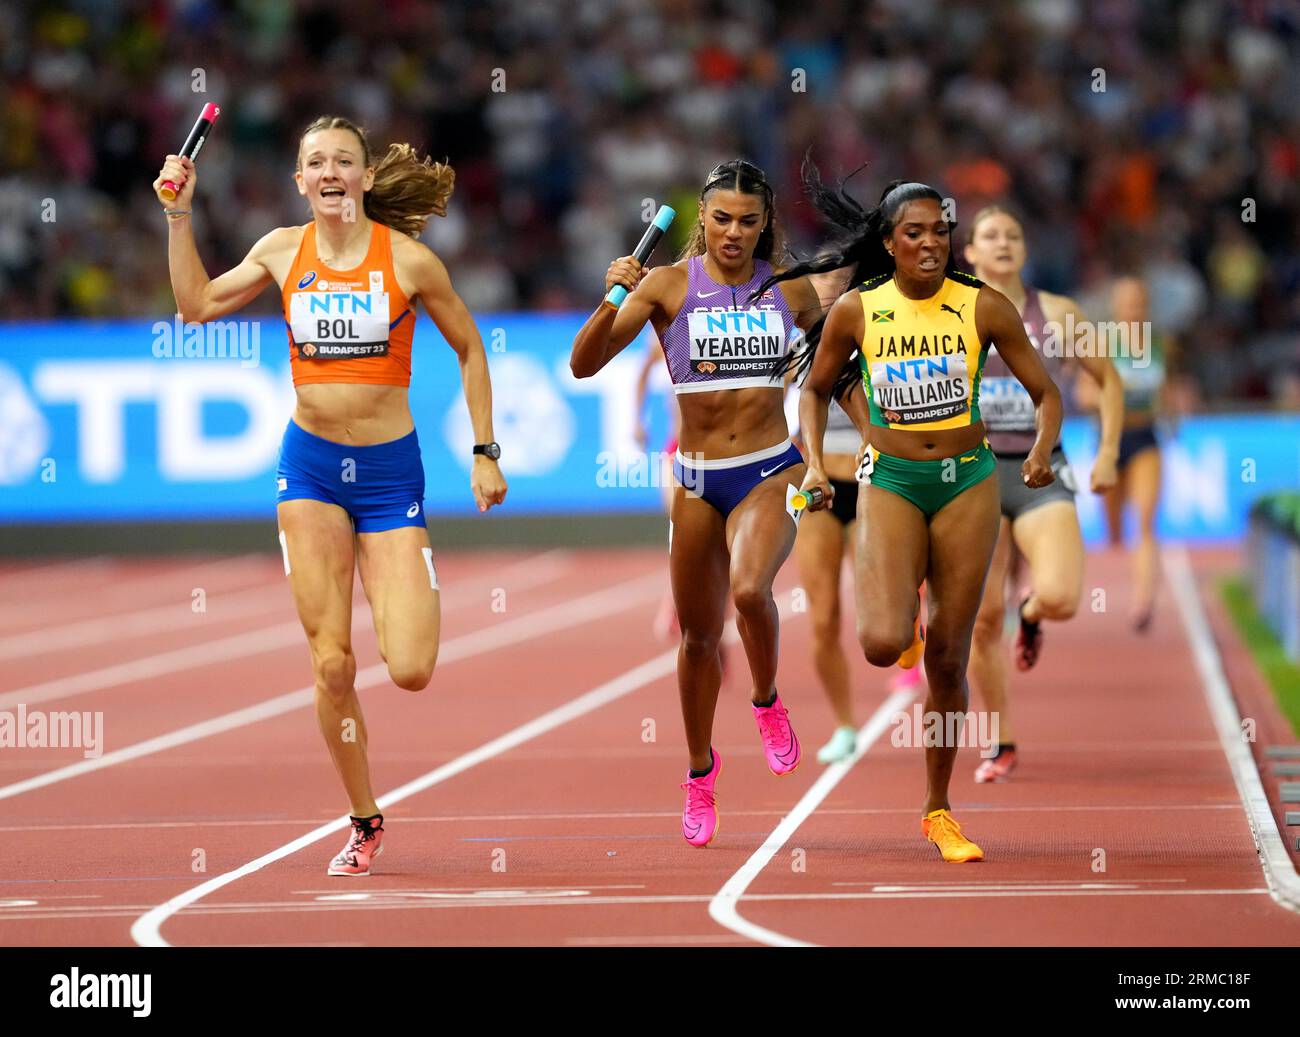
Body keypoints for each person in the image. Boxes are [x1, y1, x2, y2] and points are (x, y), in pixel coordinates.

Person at [153, 115, 507, 876]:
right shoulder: (283, 251)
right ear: (301, 180)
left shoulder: (408, 261)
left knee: (410, 666)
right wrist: (179, 214)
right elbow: (196, 307)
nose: (331, 172)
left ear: (366, 177)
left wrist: (483, 450)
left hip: (388, 475)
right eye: (316, 161)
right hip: (309, 469)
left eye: (344, 160)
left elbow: (472, 346)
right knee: (332, 664)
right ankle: (364, 817)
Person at [768, 170, 1062, 862]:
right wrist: (813, 463)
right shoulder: (859, 310)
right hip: (893, 479)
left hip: (967, 482)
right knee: (878, 641)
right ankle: (905, 618)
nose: (931, 243)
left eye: (940, 231)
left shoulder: (983, 306)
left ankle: (938, 809)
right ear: (890, 243)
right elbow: (813, 392)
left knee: (950, 659)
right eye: (914, 233)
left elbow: (1046, 393)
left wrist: (1044, 450)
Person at [570, 159, 823, 847]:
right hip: (696, 478)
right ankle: (700, 772)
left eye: (747, 220)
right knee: (697, 637)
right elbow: (583, 364)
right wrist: (611, 297)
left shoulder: (792, 293)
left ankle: (767, 701)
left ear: (766, 222)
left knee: (750, 589)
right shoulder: (667, 285)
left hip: (770, 468)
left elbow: (834, 378)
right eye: (720, 218)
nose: (733, 232)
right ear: (701, 220)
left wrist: (841, 454)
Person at [961, 206, 1123, 782]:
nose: (1003, 243)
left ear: (1025, 249)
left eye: (1013, 234)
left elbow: (1108, 379)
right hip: (971, 474)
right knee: (981, 621)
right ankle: (1000, 741)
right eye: (990, 236)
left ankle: (1030, 615)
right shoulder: (947, 308)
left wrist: (1106, 453)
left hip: (1040, 468)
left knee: (1061, 595)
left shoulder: (1056, 312)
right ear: (971, 253)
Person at [1078, 275, 1172, 632]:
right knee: (1114, 532)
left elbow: (1168, 389)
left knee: (1146, 522)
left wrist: (1174, 412)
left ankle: (1144, 601)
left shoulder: (1159, 344)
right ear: (1116, 306)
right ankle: (1110, 596)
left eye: (1139, 302)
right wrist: (1115, 394)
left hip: (1146, 437)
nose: (1134, 309)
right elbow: (1084, 394)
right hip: (1109, 440)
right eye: (1127, 302)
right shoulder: (1100, 343)